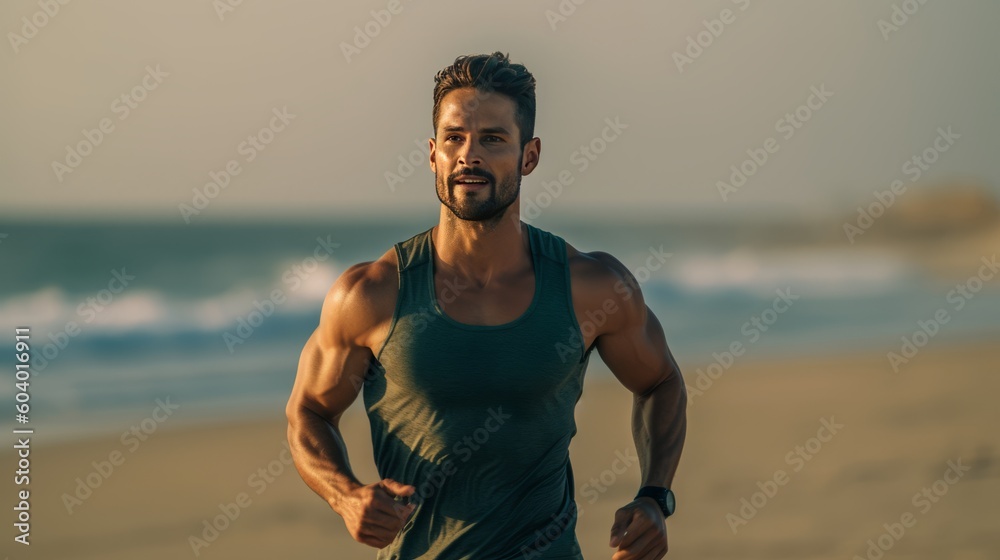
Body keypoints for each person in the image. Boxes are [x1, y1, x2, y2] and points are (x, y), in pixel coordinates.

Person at [286, 52, 687, 559]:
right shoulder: (372, 293)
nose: (468, 156)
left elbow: (660, 381)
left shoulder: (591, 286)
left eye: (492, 139)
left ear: (530, 156)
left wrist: (654, 496)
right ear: (432, 153)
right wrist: (344, 496)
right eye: (454, 138)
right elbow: (309, 411)